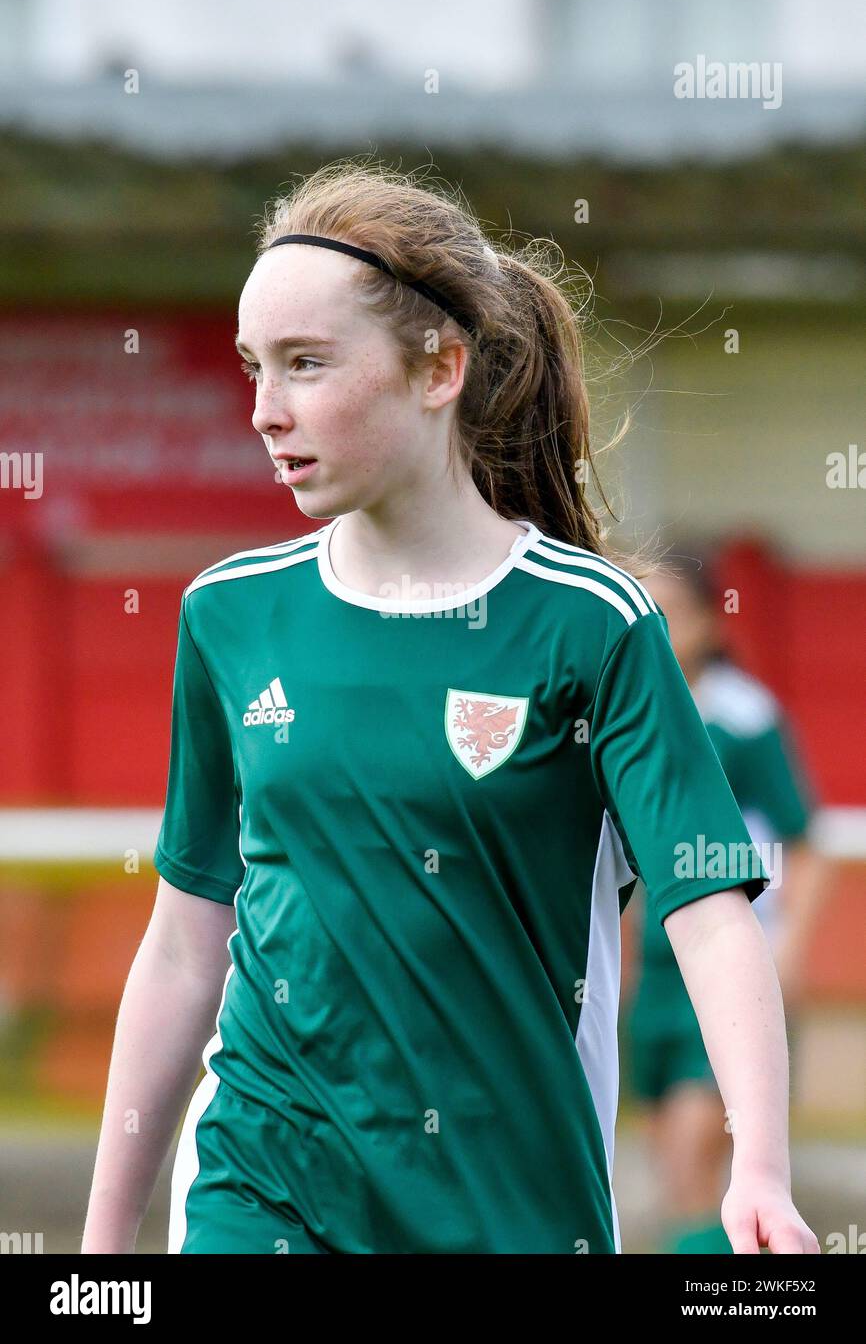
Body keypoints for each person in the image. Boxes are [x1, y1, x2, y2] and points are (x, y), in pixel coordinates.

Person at [82, 160, 819, 1255]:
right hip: (262, 1177)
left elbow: (707, 911)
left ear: (439, 368)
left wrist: (757, 1161)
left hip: (512, 1200)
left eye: (305, 365)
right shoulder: (230, 615)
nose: (264, 411)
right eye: (253, 369)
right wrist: (102, 1248)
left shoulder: (593, 622)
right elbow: (189, 942)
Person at [622, 556, 833, 1254]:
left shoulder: (743, 717)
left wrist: (790, 949)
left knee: (692, 1161)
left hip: (722, 973)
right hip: (654, 976)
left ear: (712, 620)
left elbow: (805, 841)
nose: (657, 627)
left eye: (673, 611)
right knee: (674, 1170)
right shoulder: (627, 711)